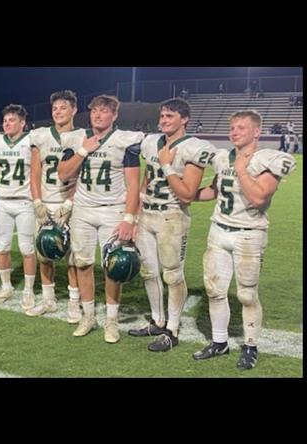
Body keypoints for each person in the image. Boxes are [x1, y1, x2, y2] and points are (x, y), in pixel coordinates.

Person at [193, 110, 296, 370]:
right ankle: (219, 342)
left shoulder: (267, 159)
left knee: (247, 295)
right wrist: (184, 194)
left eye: (241, 127)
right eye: (233, 127)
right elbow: (215, 191)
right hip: (219, 230)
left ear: (257, 132)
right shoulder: (222, 157)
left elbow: (260, 197)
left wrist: (241, 170)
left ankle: (250, 345)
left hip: (249, 234)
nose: (235, 131)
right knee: (215, 291)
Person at [131, 98, 217, 352]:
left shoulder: (193, 147)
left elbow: (187, 194)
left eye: (170, 116)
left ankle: (173, 330)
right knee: (148, 272)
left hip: (172, 217)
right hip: (147, 215)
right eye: (163, 115)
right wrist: (135, 215)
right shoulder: (151, 142)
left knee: (172, 274)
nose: (164, 120)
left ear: (185, 119)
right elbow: (147, 179)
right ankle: (158, 321)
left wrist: (167, 164)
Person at [57, 95, 143, 343]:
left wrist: (129, 218)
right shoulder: (76, 139)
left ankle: (112, 321)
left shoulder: (124, 140)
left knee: (113, 266)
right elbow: (63, 174)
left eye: (104, 111)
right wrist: (84, 149)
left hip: (112, 209)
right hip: (83, 209)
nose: (98, 115)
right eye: (94, 110)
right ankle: (88, 316)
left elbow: (133, 183)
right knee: (82, 263)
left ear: (114, 115)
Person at [25, 90, 83, 322]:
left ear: (74, 110)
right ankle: (48, 299)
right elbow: (35, 172)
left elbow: (81, 175)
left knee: (73, 257)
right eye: (55, 108)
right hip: (46, 202)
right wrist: (37, 201)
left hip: (71, 204)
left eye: (63, 107)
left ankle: (74, 302)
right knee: (44, 253)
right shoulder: (40, 136)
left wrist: (69, 202)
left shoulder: (81, 136)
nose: (58, 112)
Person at [0, 104, 36, 309]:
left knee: (26, 248)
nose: (7, 123)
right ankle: (6, 286)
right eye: (5, 120)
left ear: (22, 123)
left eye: (12, 120)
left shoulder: (31, 141)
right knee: (2, 246)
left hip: (25, 201)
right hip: (2, 200)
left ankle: (28, 290)